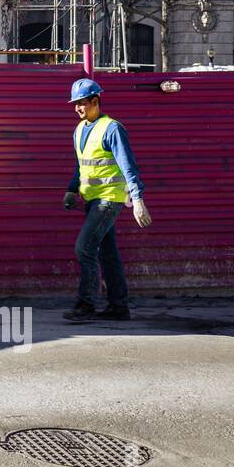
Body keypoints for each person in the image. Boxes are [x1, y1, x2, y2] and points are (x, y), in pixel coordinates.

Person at [62, 78, 151, 321]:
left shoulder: (112, 129)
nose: (77, 108)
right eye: (75, 104)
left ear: (95, 101)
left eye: (82, 103)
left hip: (109, 200)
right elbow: (82, 166)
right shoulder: (80, 129)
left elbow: (128, 165)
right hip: (91, 200)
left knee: (84, 248)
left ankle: (86, 303)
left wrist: (138, 199)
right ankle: (118, 306)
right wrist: (72, 189)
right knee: (107, 253)